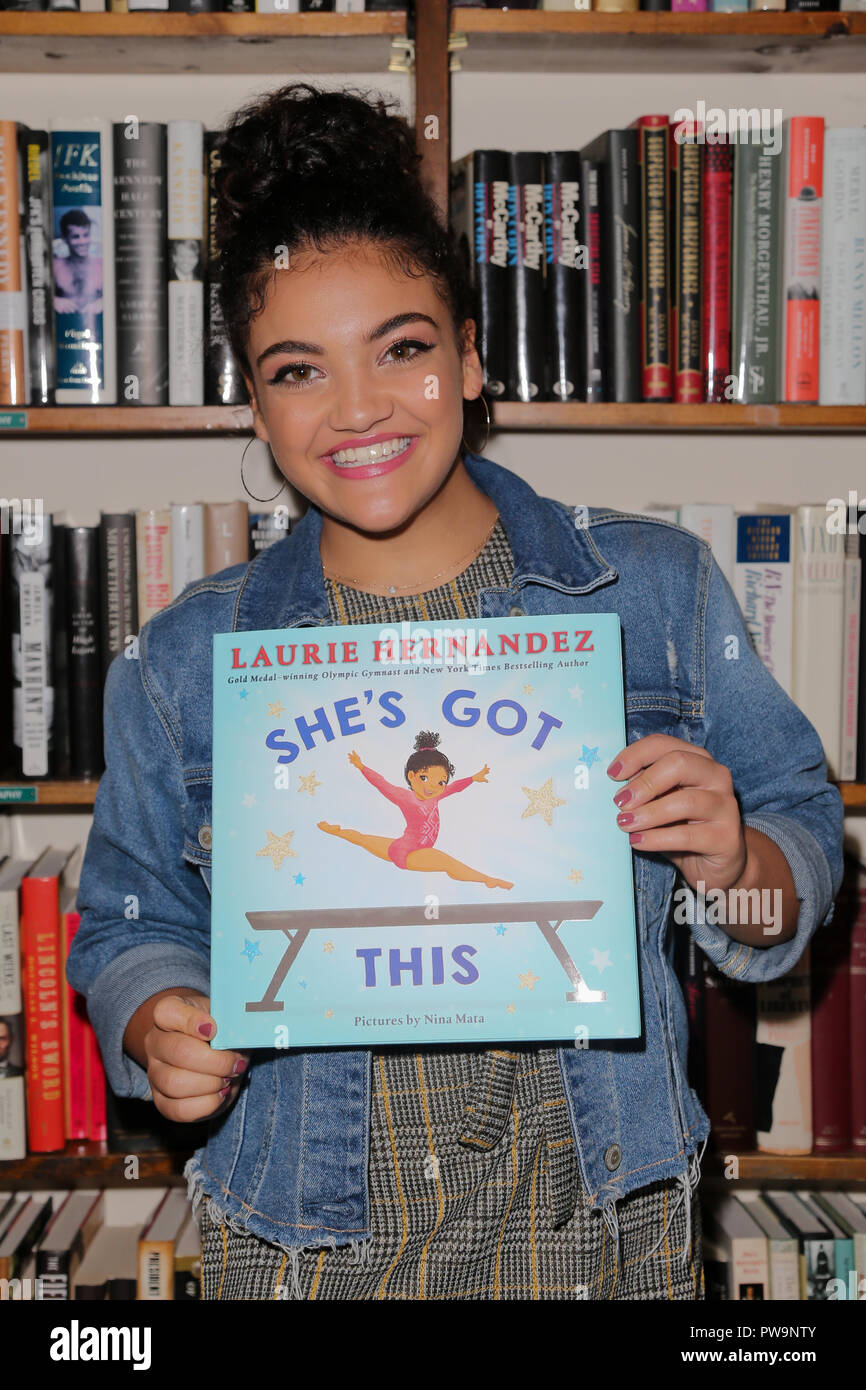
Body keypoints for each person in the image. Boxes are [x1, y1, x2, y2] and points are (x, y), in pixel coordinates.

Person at [67, 82, 843, 1302]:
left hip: (600, 1241)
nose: (359, 406)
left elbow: (789, 868)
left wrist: (737, 861)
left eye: (403, 348)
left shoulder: (650, 592)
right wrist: (155, 1015)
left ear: (472, 355)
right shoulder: (182, 660)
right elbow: (127, 918)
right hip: (306, 1253)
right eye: (297, 370)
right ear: (255, 406)